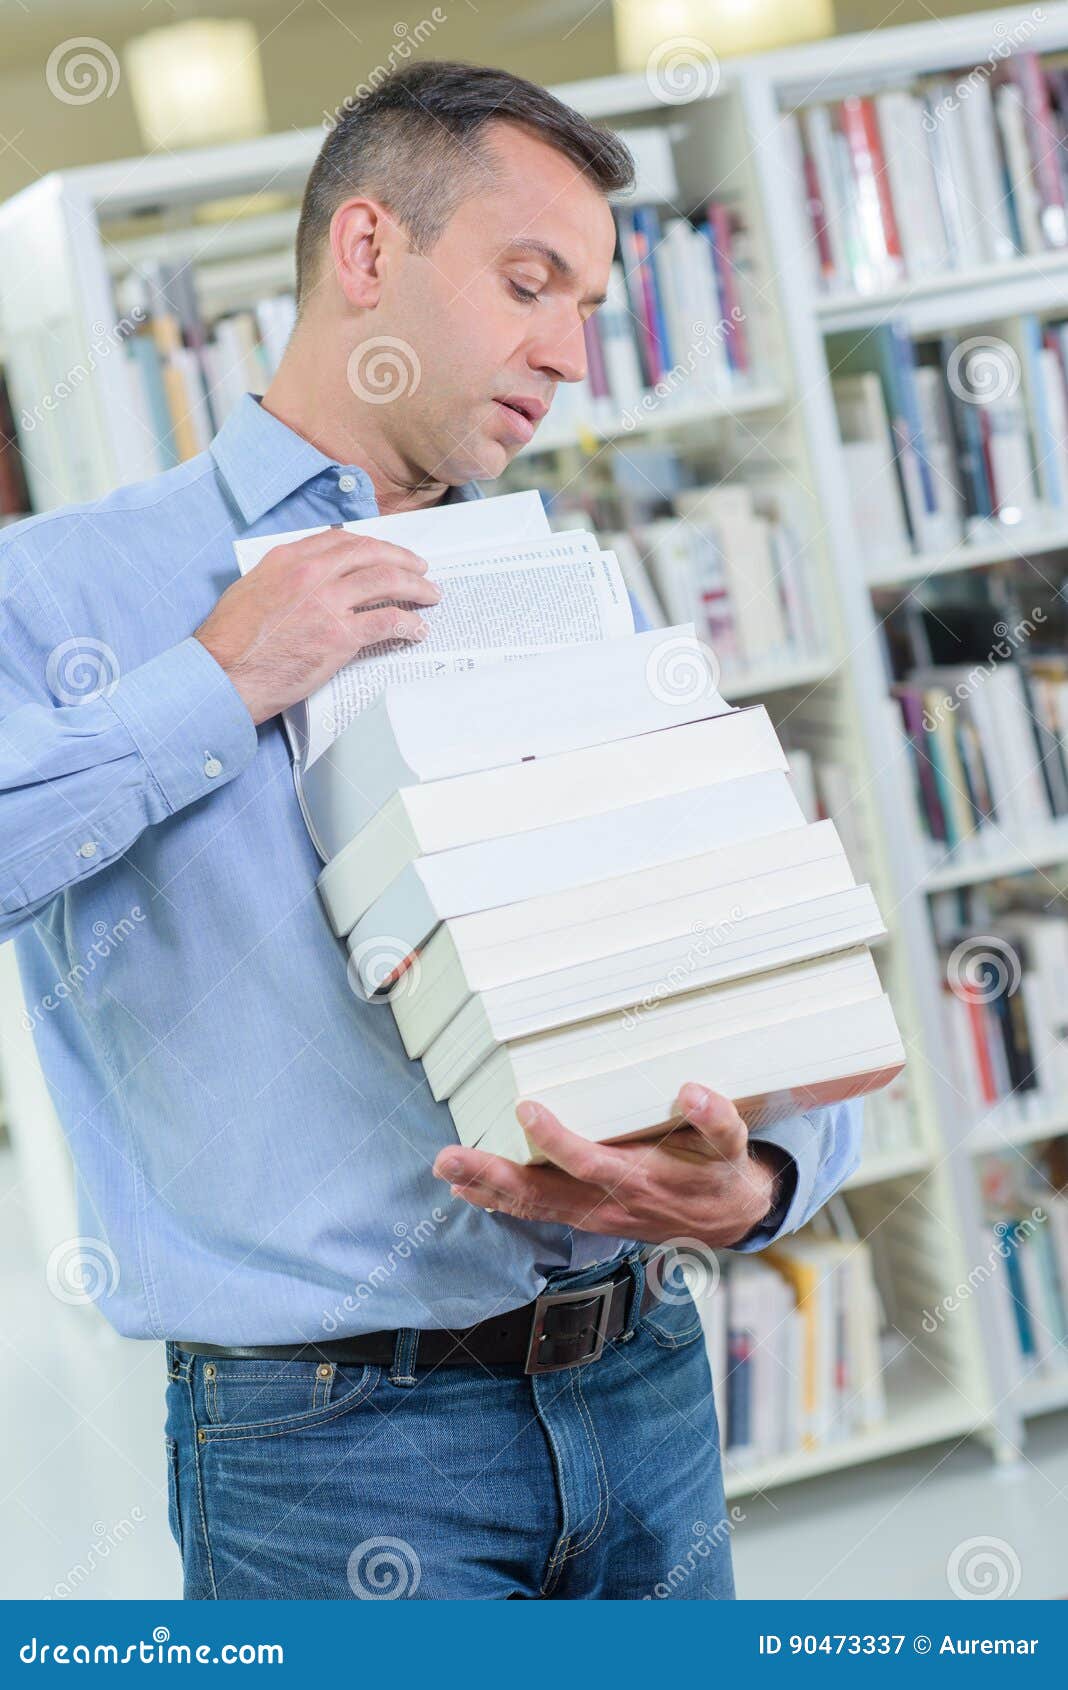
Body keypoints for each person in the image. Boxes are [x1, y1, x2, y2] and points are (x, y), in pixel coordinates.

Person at [0, 60, 862, 1600]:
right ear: (367, 254)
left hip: (645, 1387)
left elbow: (734, 944)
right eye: (532, 284)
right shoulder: (60, 592)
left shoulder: (576, 588)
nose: (572, 352)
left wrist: (773, 1176)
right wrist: (214, 682)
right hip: (328, 1451)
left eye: (592, 305)